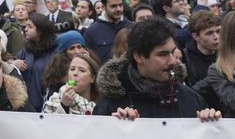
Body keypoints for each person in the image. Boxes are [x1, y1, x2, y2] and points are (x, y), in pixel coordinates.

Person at [93, 18, 221, 121]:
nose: (172, 61)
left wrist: (209, 124)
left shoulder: (191, 99)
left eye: (172, 52)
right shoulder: (111, 105)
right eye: (162, 54)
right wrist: (117, 128)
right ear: (139, 57)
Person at [18, 14, 60, 111]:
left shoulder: (55, 51)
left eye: (30, 26)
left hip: (45, 106)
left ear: (41, 30)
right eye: (26, 26)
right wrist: (14, 63)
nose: (25, 29)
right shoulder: (26, 50)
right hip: (25, 106)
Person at [83, 0, 131, 64]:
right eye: (113, 6)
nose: (118, 9)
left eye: (120, 5)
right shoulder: (91, 31)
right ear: (104, 6)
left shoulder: (132, 27)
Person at [182, 10, 220, 86]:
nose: (216, 37)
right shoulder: (186, 59)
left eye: (218, 31)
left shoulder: (226, 52)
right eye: (209, 33)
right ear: (195, 36)